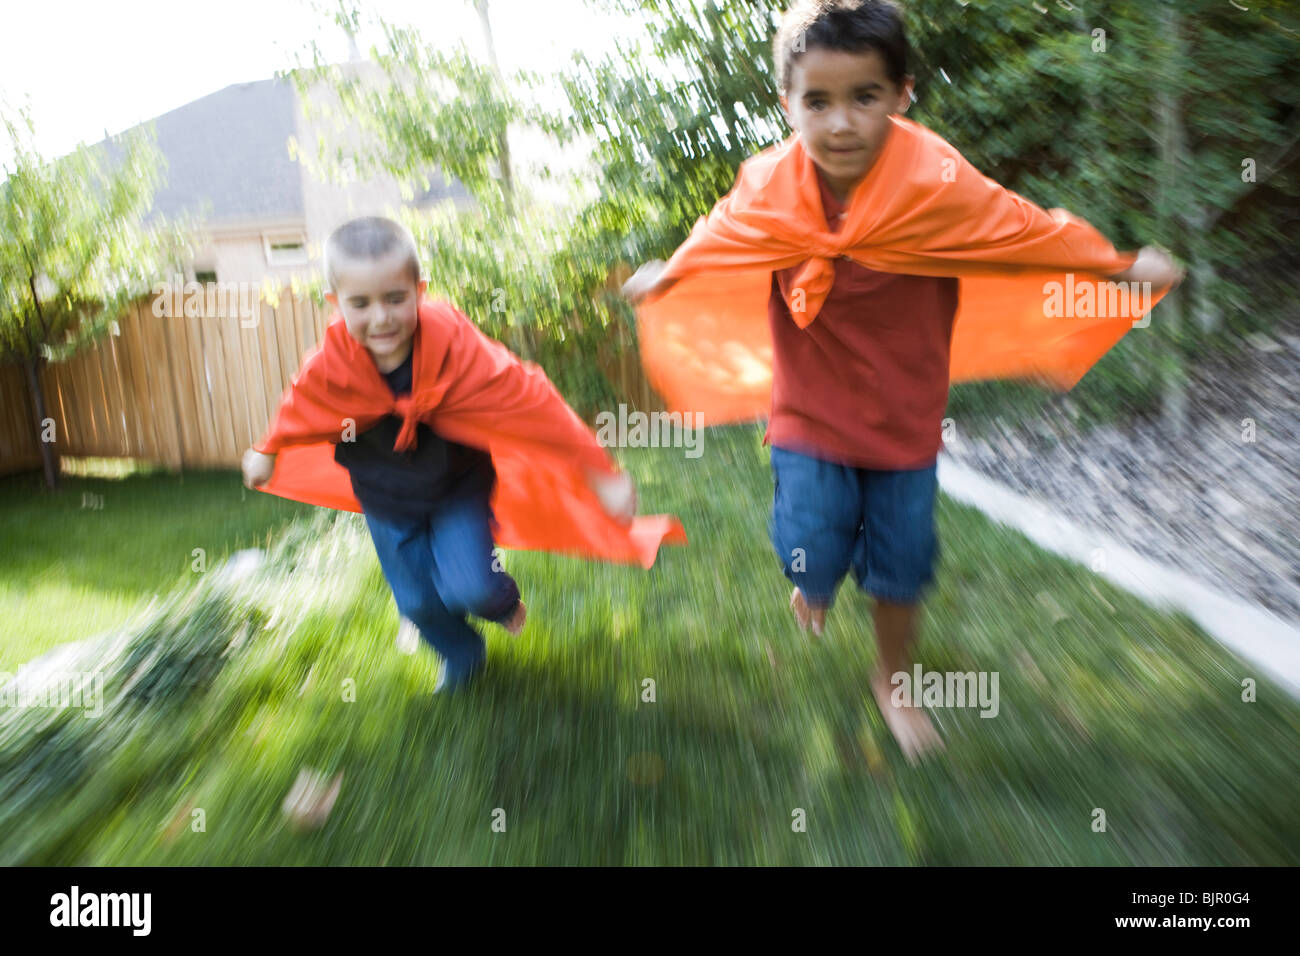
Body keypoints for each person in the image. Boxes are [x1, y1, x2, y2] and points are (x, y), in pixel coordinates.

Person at [623, 0, 1183, 761]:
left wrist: (1114, 266)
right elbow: (720, 237)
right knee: (812, 542)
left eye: (865, 97)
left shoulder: (936, 182)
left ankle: (894, 679)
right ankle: (814, 575)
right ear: (788, 103)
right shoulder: (770, 186)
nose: (841, 123)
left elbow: (1023, 230)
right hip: (808, 413)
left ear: (902, 95)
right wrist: (671, 274)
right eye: (817, 102)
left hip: (904, 422)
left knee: (903, 565)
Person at [244, 216, 683, 694]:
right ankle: (462, 655)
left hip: (456, 487)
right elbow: (301, 406)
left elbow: (531, 400)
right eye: (361, 303)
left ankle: (501, 602)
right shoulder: (331, 365)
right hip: (386, 502)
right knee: (417, 605)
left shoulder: (454, 347)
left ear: (420, 289)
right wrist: (267, 450)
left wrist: (602, 474)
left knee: (473, 586)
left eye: (395, 298)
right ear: (335, 303)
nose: (381, 317)